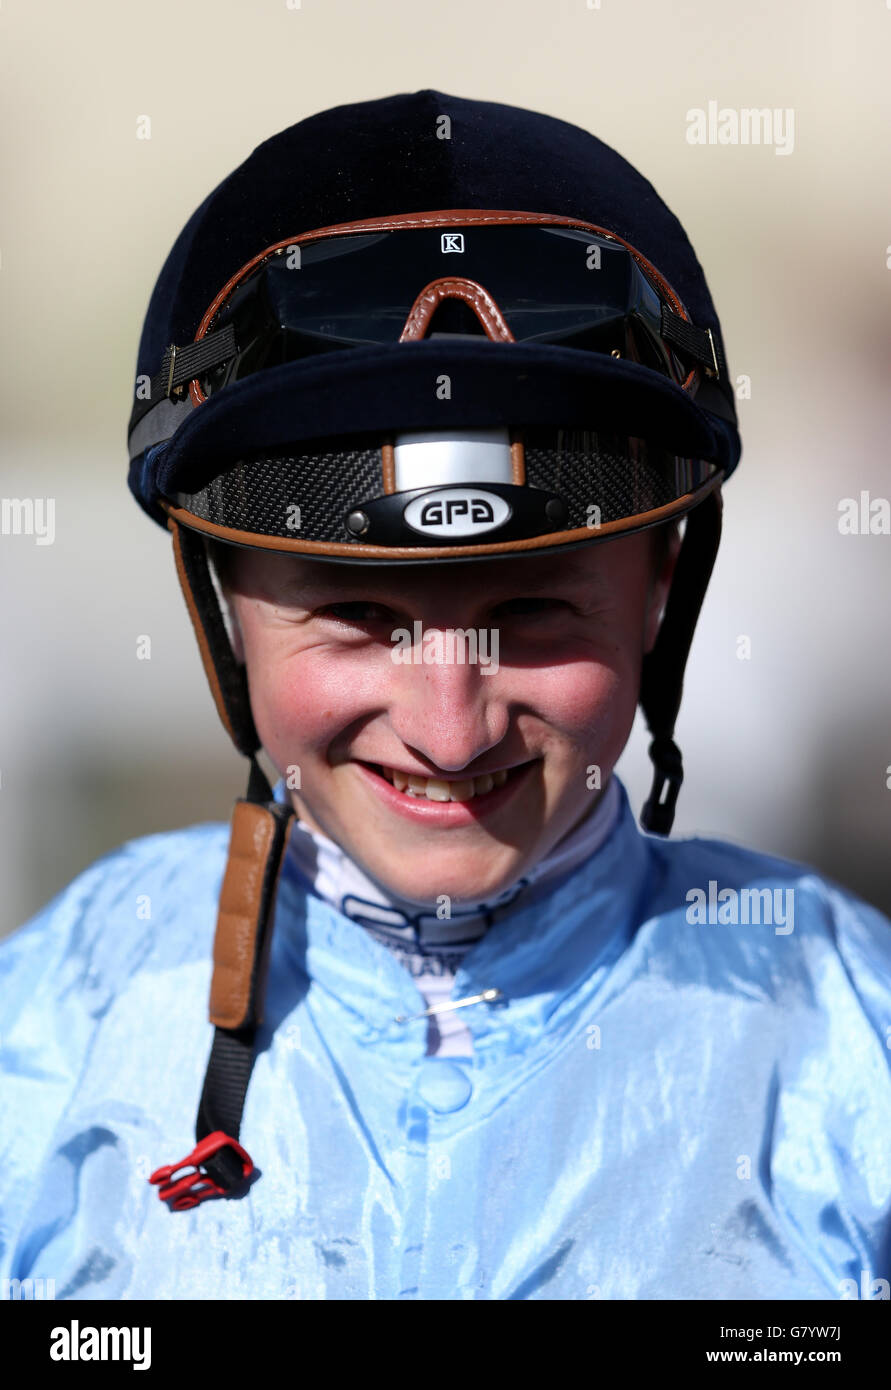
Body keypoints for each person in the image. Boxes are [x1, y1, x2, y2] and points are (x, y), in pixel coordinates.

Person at [1, 89, 889, 1303]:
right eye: (360, 616)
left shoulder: (858, 1037)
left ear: (660, 588)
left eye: (533, 611)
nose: (448, 724)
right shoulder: (49, 1027)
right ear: (220, 603)